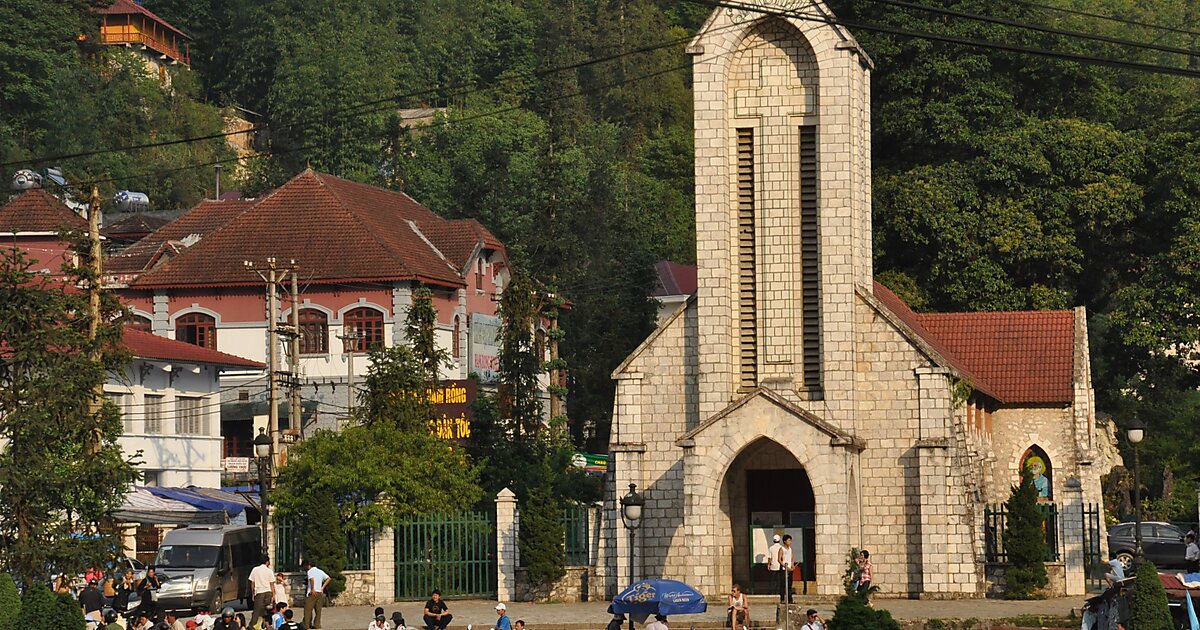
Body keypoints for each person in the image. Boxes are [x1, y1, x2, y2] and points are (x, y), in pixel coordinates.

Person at [302, 559, 331, 630]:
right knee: (318, 610)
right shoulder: (320, 571)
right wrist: (322, 588)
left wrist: (312, 589)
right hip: (319, 592)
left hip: (312, 593)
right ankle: (317, 624)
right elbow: (328, 578)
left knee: (308, 610)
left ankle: (307, 625)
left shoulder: (310, 571)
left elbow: (312, 579)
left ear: (308, 565)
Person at [250, 555, 275, 629]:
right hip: (268, 592)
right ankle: (267, 625)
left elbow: (252, 583)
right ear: (267, 562)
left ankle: (252, 626)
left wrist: (253, 594)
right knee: (267, 610)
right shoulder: (269, 571)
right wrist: (273, 595)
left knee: (257, 611)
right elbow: (272, 584)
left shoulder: (255, 569)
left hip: (259, 592)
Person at [778, 535, 795, 603]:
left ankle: (790, 599)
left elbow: (792, 558)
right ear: (785, 541)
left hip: (790, 569)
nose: (790, 542)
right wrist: (785, 567)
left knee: (789, 585)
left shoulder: (790, 549)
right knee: (783, 584)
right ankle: (782, 599)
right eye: (789, 540)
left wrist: (792, 566)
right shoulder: (782, 549)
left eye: (790, 540)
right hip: (784, 568)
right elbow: (779, 560)